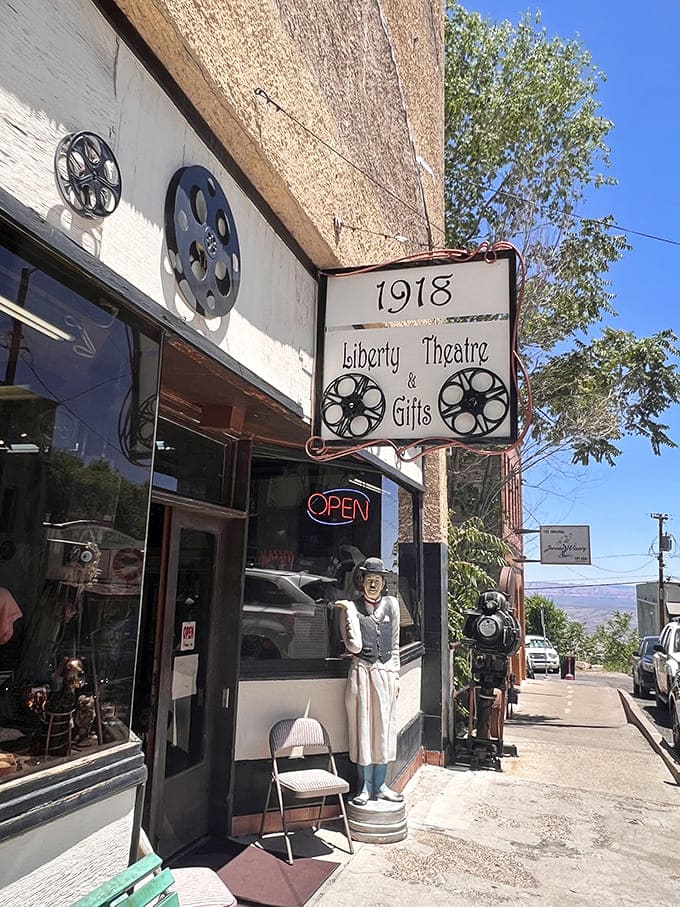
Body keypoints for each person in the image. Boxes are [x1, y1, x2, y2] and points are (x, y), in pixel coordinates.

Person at [335, 556, 403, 805]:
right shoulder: (350, 608)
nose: (373, 585)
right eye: (368, 580)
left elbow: (394, 646)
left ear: (383, 583)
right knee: (363, 731)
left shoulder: (392, 606)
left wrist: (395, 674)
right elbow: (354, 647)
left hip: (385, 673)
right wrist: (348, 613)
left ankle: (381, 784)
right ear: (361, 581)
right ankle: (364, 787)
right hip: (362, 673)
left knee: (384, 730)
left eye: (377, 580)